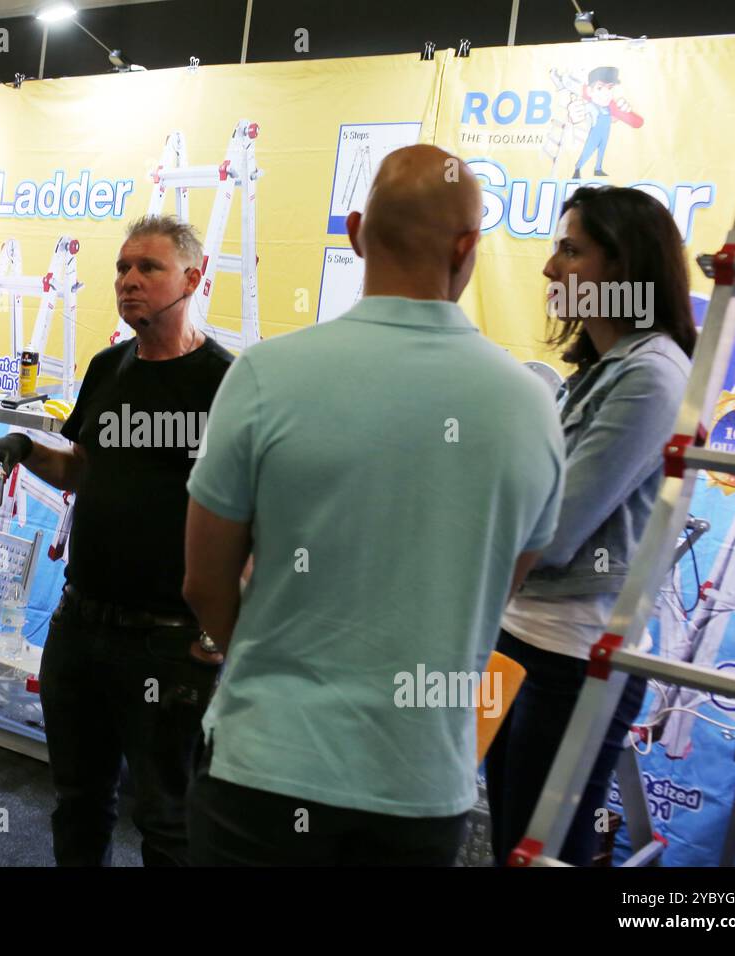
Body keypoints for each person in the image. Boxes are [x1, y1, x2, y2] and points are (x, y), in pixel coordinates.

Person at [181, 144, 565, 866]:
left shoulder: (267, 375)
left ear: (356, 230)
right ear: (468, 247)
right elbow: (498, 587)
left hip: (266, 770)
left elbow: (202, 583)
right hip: (419, 789)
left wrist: (270, 664)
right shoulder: (529, 405)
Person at [0, 215, 233, 866]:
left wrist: (220, 627)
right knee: (78, 799)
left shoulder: (225, 383)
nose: (128, 281)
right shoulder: (107, 368)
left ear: (193, 277)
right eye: (122, 268)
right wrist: (24, 448)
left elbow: (255, 513)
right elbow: (82, 469)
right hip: (81, 626)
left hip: (168, 641)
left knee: (165, 820)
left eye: (148, 268)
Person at [486, 185, 695, 867]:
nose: (550, 270)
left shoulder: (654, 375)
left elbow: (554, 532)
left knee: (540, 850)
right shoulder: (598, 372)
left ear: (623, 265)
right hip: (520, 634)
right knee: (511, 839)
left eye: (570, 251)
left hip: (575, 655)